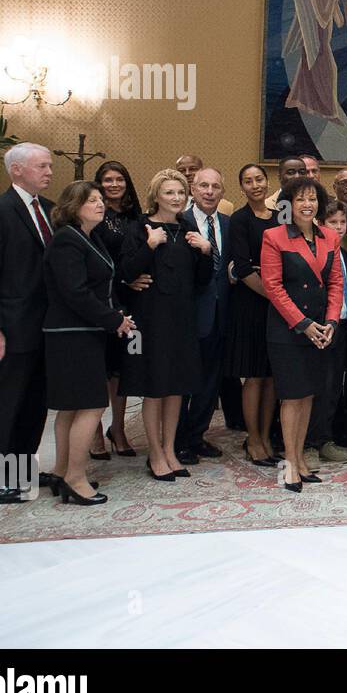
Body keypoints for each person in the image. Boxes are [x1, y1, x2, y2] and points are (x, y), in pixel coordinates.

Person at [0, 142, 55, 502]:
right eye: (42, 166)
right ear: (16, 169)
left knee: (35, 402)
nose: (49, 171)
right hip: (9, 328)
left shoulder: (50, 210)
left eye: (49, 166)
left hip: (46, 327)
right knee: (3, 403)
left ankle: (21, 469)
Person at [41, 182, 136, 505]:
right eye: (92, 200)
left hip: (82, 332)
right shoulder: (68, 239)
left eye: (100, 200)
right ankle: (76, 478)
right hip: (72, 334)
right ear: (73, 205)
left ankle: (61, 470)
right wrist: (114, 320)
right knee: (92, 405)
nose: (100, 204)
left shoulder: (87, 237)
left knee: (72, 406)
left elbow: (100, 287)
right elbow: (75, 292)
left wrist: (117, 312)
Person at [119, 168, 214, 481]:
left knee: (177, 389)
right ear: (156, 196)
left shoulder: (188, 228)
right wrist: (149, 245)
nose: (176, 198)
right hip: (151, 318)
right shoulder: (140, 227)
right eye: (169, 192)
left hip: (182, 317)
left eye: (180, 193)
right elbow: (126, 272)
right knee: (156, 388)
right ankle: (155, 454)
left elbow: (201, 281)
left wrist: (206, 252)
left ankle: (171, 449)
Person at [260, 177, 344, 492]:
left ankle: (301, 458)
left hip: (322, 329)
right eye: (300, 199)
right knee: (292, 397)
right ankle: (290, 463)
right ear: (289, 205)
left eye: (312, 199)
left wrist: (331, 322)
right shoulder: (274, 236)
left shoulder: (330, 237)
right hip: (288, 330)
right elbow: (273, 287)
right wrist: (304, 324)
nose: (307, 205)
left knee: (309, 395)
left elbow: (336, 283)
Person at [223, 164, 280, 466]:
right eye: (248, 181)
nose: (255, 185)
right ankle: (253, 438)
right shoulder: (240, 220)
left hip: (279, 307)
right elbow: (242, 268)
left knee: (272, 376)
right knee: (254, 376)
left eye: (259, 179)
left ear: (267, 182)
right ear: (242, 187)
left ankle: (267, 434)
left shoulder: (280, 217)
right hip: (251, 303)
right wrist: (276, 297)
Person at [175, 167, 231, 465]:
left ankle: (197, 435)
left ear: (222, 192)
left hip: (222, 315)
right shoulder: (179, 223)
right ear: (192, 190)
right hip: (189, 316)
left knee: (211, 381)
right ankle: (178, 440)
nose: (209, 192)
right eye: (203, 186)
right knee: (185, 381)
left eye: (215, 186)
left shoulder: (228, 223)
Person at [89, 159, 141, 459]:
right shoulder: (95, 213)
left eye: (119, 179)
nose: (114, 185)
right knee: (99, 368)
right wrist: (125, 278)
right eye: (107, 180)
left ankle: (117, 428)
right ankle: (95, 430)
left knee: (120, 371)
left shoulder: (134, 215)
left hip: (129, 301)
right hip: (101, 298)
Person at [306, 201, 347, 464]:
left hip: (341, 327)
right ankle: (309, 445)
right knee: (316, 387)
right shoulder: (316, 251)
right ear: (320, 224)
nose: (338, 227)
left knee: (332, 388)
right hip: (319, 327)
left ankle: (325, 440)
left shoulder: (345, 253)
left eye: (342, 222)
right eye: (332, 222)